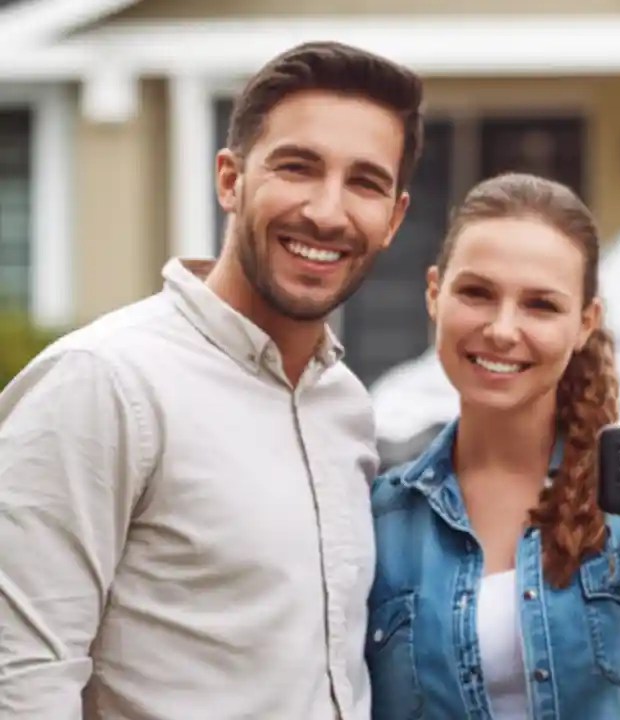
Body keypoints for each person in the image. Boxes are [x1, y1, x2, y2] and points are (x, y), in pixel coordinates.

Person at [0, 41, 423, 719]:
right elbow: (20, 676)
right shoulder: (105, 383)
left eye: (364, 183)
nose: (326, 211)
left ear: (395, 219)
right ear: (230, 179)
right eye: (297, 167)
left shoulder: (342, 404)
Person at [366, 172, 620, 719]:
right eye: (477, 293)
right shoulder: (384, 519)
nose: (502, 329)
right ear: (433, 295)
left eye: (540, 305)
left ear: (586, 323)